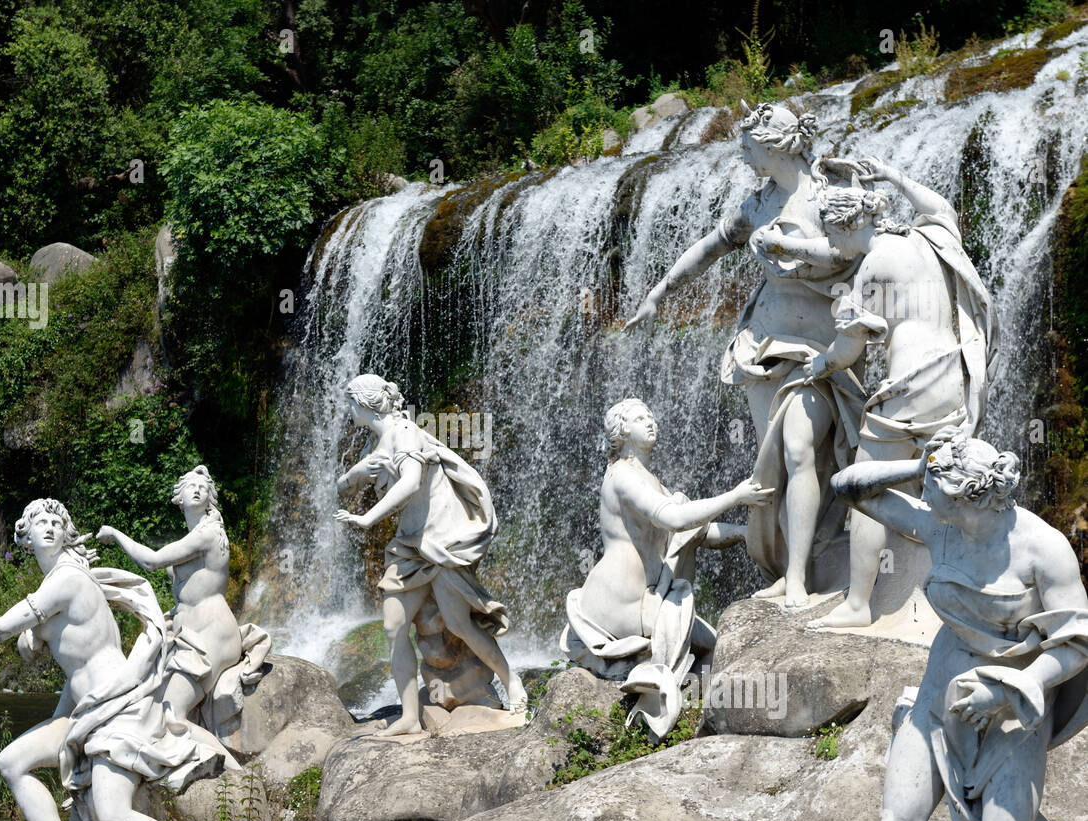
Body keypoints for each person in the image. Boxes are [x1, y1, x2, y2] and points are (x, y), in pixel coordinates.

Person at [627, 103, 865, 609]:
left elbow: (854, 254)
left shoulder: (832, 196)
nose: (741, 152)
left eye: (748, 144)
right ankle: (785, 568)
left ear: (776, 144)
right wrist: (658, 293)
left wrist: (790, 248)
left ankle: (800, 577)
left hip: (823, 350)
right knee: (776, 461)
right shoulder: (758, 204)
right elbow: (711, 246)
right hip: (763, 346)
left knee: (802, 448)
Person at [0, 498, 223, 821]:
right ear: (25, 538)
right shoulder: (58, 583)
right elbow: (72, 674)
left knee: (112, 813)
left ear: (65, 534)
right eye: (40, 521)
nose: (50, 527)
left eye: (57, 523)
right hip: (88, 710)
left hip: (118, 708)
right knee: (10, 763)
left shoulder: (68, 580)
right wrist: (69, 731)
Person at [832, 428, 1088, 821]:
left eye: (929, 484)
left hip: (1011, 709)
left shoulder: (1044, 549)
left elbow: (1079, 643)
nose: (920, 490)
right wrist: (917, 464)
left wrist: (1013, 687)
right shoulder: (938, 526)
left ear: (964, 495)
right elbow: (848, 487)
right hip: (940, 694)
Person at [778, 158, 998, 630]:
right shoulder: (928, 238)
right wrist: (896, 175)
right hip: (952, 377)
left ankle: (859, 604)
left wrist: (820, 364)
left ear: (848, 223)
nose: (834, 248)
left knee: (865, 481)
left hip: (908, 386)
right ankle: (965, 588)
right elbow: (940, 207)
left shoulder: (874, 263)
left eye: (834, 236)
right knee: (947, 480)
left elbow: (848, 345)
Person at [560, 398, 771, 739]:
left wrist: (748, 535)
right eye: (639, 418)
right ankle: (663, 707)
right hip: (616, 604)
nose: (650, 421)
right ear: (622, 430)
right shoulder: (623, 476)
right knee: (689, 614)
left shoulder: (648, 478)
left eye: (651, 415)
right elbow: (673, 518)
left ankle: (687, 707)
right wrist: (735, 497)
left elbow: (693, 532)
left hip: (644, 597)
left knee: (713, 645)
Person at [334, 374, 526, 735]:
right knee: (393, 626)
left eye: (350, 403)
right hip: (410, 544)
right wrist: (356, 473)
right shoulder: (376, 445)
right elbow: (341, 490)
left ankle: (512, 681)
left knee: (458, 623)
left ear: (363, 403)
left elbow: (410, 482)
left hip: (439, 541)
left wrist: (368, 519)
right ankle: (409, 716)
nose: (348, 411)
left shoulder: (404, 433)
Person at [97, 465, 270, 757]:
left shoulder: (207, 533)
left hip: (211, 635)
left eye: (203, 486)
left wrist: (115, 534)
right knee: (146, 704)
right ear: (179, 496)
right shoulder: (195, 535)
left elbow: (152, 561)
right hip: (191, 633)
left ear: (210, 498)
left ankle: (229, 773)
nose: (197, 488)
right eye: (190, 485)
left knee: (172, 714)